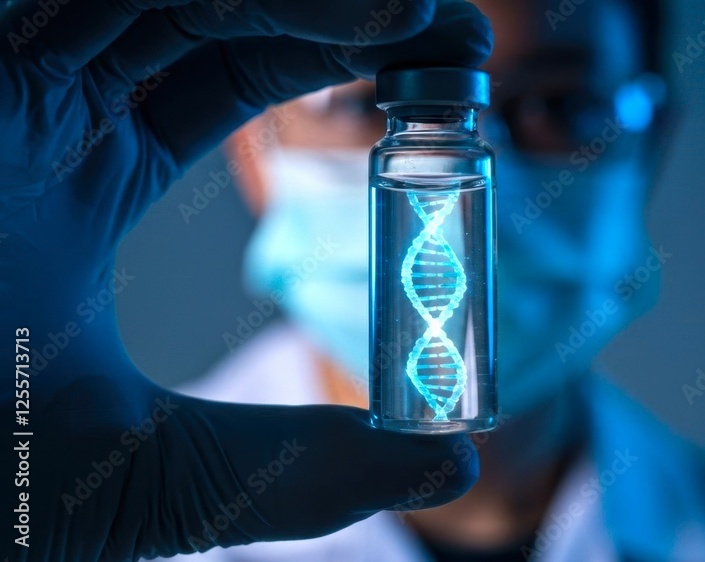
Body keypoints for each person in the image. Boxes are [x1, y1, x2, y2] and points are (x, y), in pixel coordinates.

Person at [146, 1, 705, 561]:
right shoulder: (120, 535)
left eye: (555, 105)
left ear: (650, 143)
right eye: (369, 101)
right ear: (250, 144)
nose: (458, 171)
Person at [1, 1, 493, 561]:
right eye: (357, 106)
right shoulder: (113, 473)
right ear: (254, 155)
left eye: (563, 105)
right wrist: (13, 500)